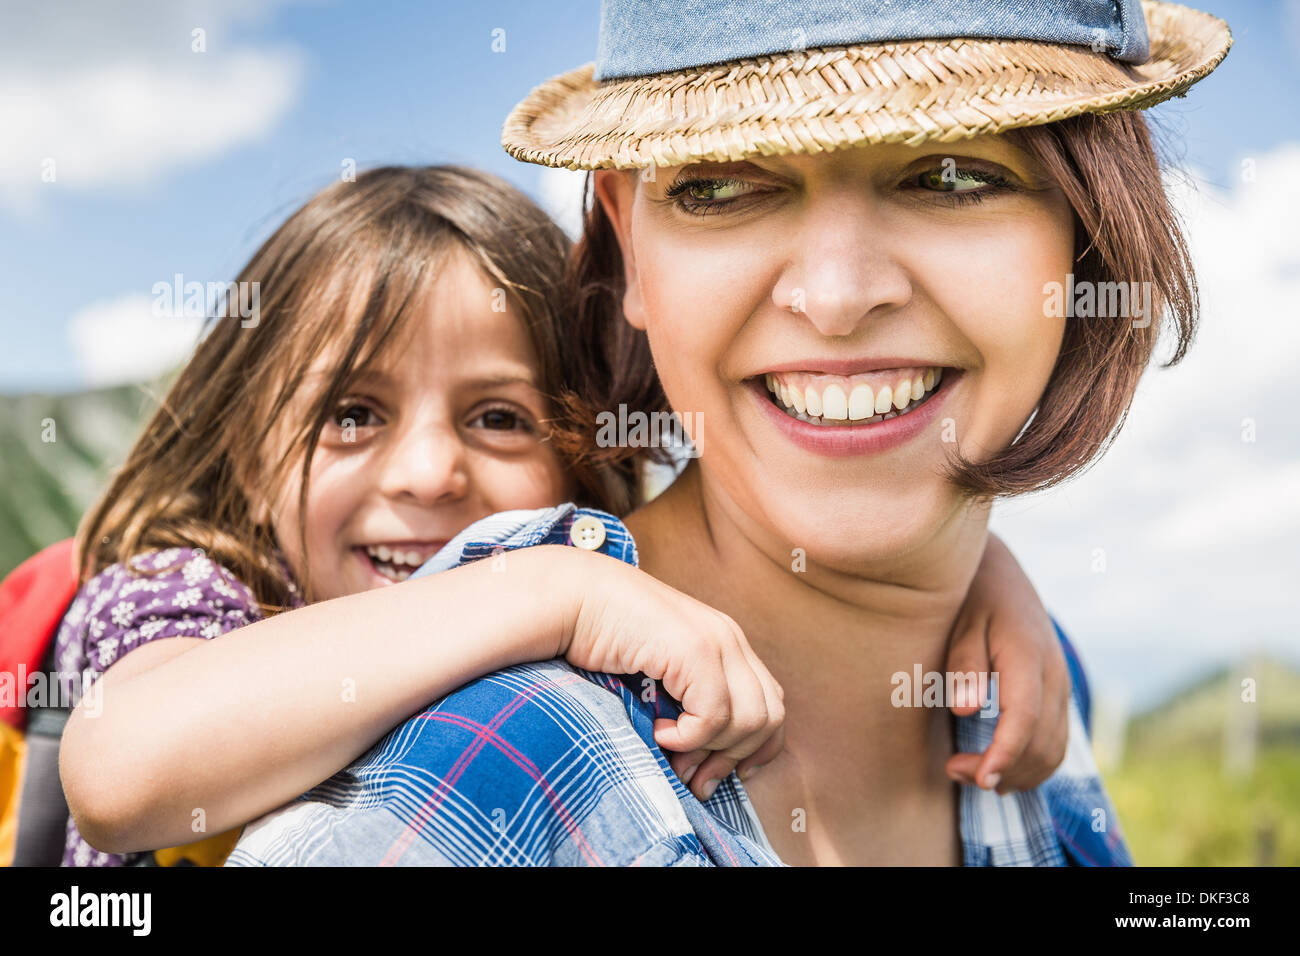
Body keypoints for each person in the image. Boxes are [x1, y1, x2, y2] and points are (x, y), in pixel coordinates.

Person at [225, 0, 1231, 866]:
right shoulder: (482, 788)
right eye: (720, 184)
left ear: (1096, 216)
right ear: (628, 242)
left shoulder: (1030, 688)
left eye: (952, 174)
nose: (835, 298)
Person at [56, 165, 1063, 867]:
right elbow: (119, 767)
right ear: (246, 442)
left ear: (587, 445)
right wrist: (545, 583)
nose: (427, 472)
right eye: (352, 414)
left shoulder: (594, 595)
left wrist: (983, 571)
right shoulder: (185, 584)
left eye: (499, 417)